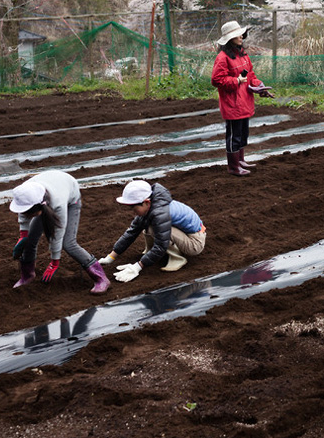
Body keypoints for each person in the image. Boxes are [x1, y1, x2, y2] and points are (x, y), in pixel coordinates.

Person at [9, 170, 110, 294]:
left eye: (32, 214)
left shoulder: (58, 202)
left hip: (70, 197)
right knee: (29, 240)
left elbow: (58, 233)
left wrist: (54, 261)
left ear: (38, 209)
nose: (27, 216)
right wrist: (23, 236)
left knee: (69, 244)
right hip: (49, 190)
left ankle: (101, 278)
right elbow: (24, 215)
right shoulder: (26, 193)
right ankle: (27, 276)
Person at [98, 180, 207, 283]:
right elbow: (131, 233)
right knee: (149, 227)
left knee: (154, 229)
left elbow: (160, 246)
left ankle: (177, 259)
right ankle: (151, 255)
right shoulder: (152, 207)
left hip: (195, 243)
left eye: (134, 208)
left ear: (146, 202)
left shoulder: (159, 214)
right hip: (186, 235)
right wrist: (110, 257)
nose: (133, 212)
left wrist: (137, 266)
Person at [211, 20, 276, 176]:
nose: (241, 36)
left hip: (244, 101)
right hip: (232, 104)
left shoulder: (243, 55)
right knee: (234, 136)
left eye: (241, 34)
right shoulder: (222, 58)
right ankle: (233, 167)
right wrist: (236, 81)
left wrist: (260, 86)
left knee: (243, 134)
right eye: (237, 35)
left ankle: (240, 161)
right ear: (229, 39)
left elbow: (250, 76)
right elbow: (216, 80)